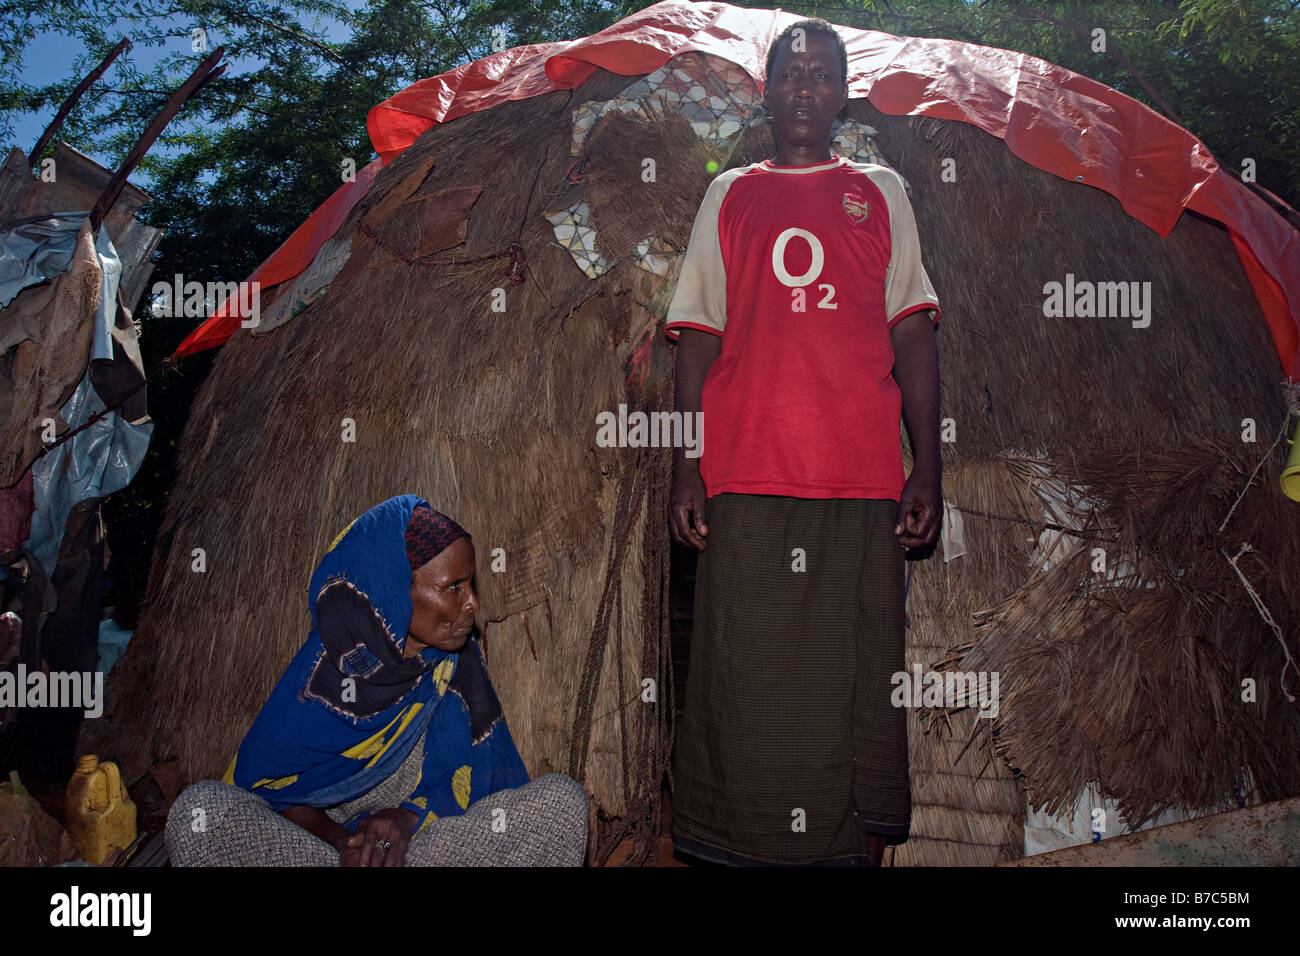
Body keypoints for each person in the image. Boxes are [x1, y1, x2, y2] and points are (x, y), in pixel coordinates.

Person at [664, 18, 942, 866]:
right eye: (792, 72)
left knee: (849, 681)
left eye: (823, 75)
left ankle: (843, 852)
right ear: (768, 89)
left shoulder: (881, 191)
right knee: (742, 678)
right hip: (746, 477)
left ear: (842, 95)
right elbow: (697, 334)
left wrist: (927, 461)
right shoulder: (732, 195)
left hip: (857, 481)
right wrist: (687, 462)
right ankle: (739, 846)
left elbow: (913, 333)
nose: (805, 87)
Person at [166, 494, 588, 866]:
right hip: (325, 853)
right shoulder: (321, 679)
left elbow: (470, 790)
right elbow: (265, 791)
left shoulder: (451, 667)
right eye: (453, 588)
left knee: (561, 806)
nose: (473, 603)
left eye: (470, 583)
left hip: (423, 848)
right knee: (200, 815)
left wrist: (404, 820)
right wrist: (346, 844)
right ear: (392, 593)